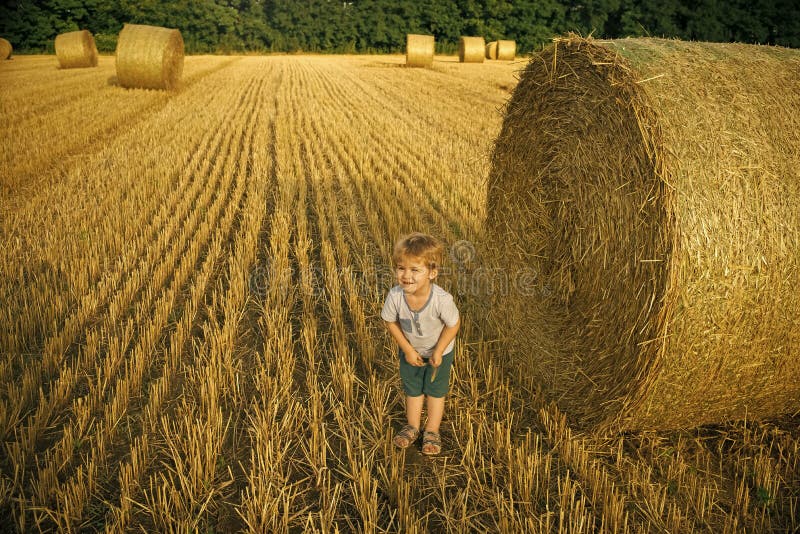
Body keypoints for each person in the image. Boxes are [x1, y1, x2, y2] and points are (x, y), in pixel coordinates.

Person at [381, 232, 460, 455]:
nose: (406, 275)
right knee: (413, 389)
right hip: (411, 352)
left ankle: (432, 430)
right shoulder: (395, 296)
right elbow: (389, 321)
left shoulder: (442, 300)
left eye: (415, 270)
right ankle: (413, 426)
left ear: (432, 273)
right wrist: (407, 349)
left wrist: (439, 350)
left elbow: (453, 324)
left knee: (435, 391)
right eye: (401, 268)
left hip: (440, 353)